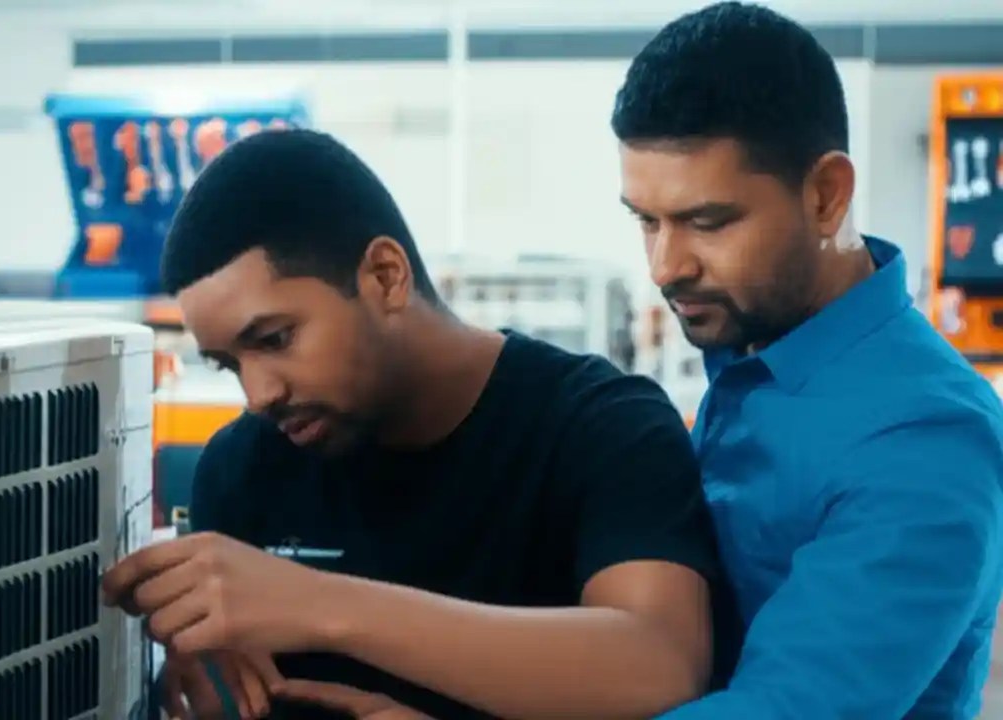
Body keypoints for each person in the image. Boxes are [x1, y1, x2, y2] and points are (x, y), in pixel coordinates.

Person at [102, 127, 740, 719]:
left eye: (275, 338)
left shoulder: (601, 428)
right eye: (227, 364)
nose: (259, 393)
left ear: (385, 276)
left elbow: (659, 662)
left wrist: (316, 603)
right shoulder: (241, 469)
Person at [610, 3, 1003, 718]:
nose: (665, 267)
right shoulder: (750, 356)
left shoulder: (924, 439)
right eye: (646, 220)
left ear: (826, 196)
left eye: (708, 222)